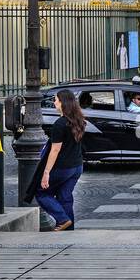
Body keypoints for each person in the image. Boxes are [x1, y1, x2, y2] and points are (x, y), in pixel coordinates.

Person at [35, 89, 86, 232]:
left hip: (63, 167)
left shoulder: (59, 124)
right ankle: (68, 229)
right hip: (77, 167)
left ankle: (63, 219)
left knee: (41, 193)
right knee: (65, 197)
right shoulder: (79, 120)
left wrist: (46, 173)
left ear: (63, 102)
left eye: (56, 99)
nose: (54, 102)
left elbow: (55, 150)